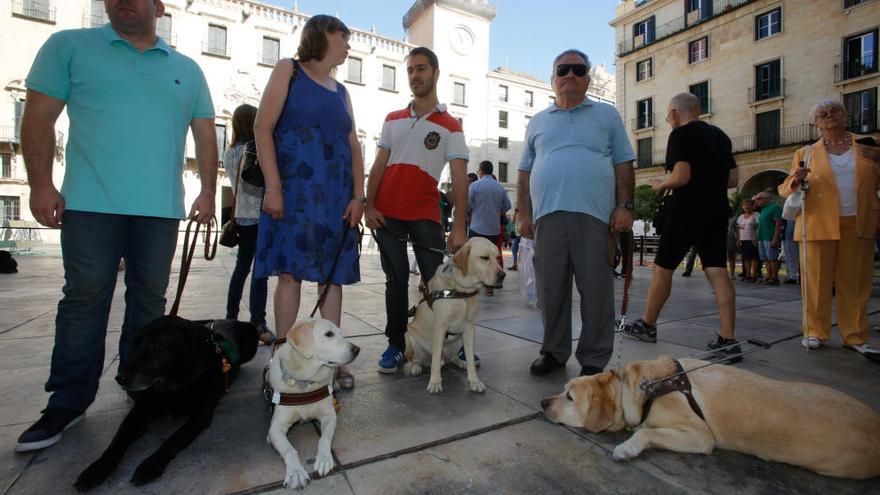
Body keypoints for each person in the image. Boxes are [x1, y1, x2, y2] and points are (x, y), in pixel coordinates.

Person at [16, 0, 217, 452]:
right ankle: (67, 402)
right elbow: (39, 118)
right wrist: (41, 184)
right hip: (89, 203)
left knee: (149, 300)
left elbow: (204, 132)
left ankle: (143, 386)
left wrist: (207, 190)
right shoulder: (67, 46)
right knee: (85, 298)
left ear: (159, 7)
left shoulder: (187, 68)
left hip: (161, 209)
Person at [253, 15, 364, 386]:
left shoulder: (342, 91)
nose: (348, 45)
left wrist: (358, 197)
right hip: (293, 191)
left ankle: (332, 361)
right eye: (343, 36)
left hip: (335, 197)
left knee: (331, 280)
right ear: (323, 34)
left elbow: (353, 145)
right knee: (290, 274)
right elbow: (262, 127)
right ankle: (282, 357)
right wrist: (273, 187)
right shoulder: (289, 70)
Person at [518, 49, 635, 377]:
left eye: (578, 70)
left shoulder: (607, 115)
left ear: (587, 78)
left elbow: (623, 162)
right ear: (553, 78)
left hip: (594, 216)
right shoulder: (538, 122)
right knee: (550, 290)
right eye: (563, 69)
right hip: (547, 216)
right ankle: (554, 352)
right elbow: (525, 171)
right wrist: (523, 214)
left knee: (596, 291)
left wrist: (625, 206)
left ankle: (594, 359)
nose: (570, 75)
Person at [364, 46, 468, 374]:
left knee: (439, 282)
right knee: (395, 280)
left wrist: (460, 224)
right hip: (388, 214)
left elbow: (460, 176)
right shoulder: (393, 119)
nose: (415, 76)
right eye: (410, 70)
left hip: (425, 213)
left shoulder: (450, 124)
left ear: (436, 74)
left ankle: (454, 344)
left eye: (421, 69)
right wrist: (370, 205)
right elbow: (378, 165)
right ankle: (396, 344)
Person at [622, 93, 742, 360]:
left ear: (675, 112)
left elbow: (681, 176)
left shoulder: (680, 135)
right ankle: (729, 339)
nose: (669, 120)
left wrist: (660, 185)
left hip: (686, 210)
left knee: (663, 269)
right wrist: (708, 183)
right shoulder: (720, 136)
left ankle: (647, 325)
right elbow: (733, 179)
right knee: (717, 271)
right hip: (716, 210)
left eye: (668, 116)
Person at [779, 99, 880, 359]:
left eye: (834, 111)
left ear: (845, 116)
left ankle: (855, 336)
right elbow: (785, 187)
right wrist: (795, 180)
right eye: (823, 114)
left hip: (858, 221)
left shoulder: (868, 144)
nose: (829, 115)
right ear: (817, 124)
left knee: (855, 282)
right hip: (817, 223)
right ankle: (815, 331)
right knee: (815, 281)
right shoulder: (807, 152)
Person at [222, 104, 274, 344]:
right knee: (259, 271)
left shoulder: (230, 152)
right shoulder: (254, 149)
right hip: (258, 215)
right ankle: (258, 321)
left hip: (240, 215)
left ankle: (231, 316)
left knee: (241, 268)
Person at [468, 160, 511, 296]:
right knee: (491, 258)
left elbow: (468, 204)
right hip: (493, 228)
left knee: (475, 256)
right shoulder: (500, 188)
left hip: (477, 227)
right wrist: (497, 210)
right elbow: (507, 205)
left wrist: (474, 209)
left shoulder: (475, 185)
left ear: (480, 171)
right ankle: (489, 287)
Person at [754, 191, 783, 285]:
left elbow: (778, 224)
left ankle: (775, 278)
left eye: (759, 198)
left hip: (769, 237)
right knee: (765, 258)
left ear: (766, 198)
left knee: (772, 258)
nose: (757, 201)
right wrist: (756, 237)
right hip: (762, 238)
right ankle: (769, 276)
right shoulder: (763, 209)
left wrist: (775, 238)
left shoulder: (774, 208)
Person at [737, 198, 759, 281]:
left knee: (754, 258)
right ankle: (747, 274)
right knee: (746, 258)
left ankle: (754, 275)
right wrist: (738, 240)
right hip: (743, 239)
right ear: (742, 207)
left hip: (752, 239)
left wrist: (756, 238)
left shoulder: (756, 215)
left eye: (748, 205)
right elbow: (738, 229)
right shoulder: (741, 217)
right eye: (745, 205)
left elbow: (758, 227)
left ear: (752, 206)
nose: (747, 207)